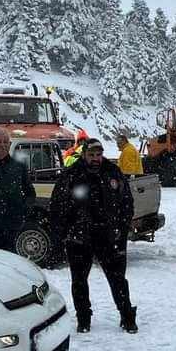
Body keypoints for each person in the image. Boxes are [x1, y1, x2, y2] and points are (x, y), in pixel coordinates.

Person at [50, 138, 137, 334]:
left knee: (118, 279)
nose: (96, 159)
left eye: (99, 155)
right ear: (84, 155)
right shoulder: (72, 175)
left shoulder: (112, 172)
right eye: (91, 155)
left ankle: (127, 316)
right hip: (79, 238)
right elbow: (58, 206)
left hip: (109, 237)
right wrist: (64, 232)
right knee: (79, 281)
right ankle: (84, 319)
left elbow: (127, 203)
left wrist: (121, 229)